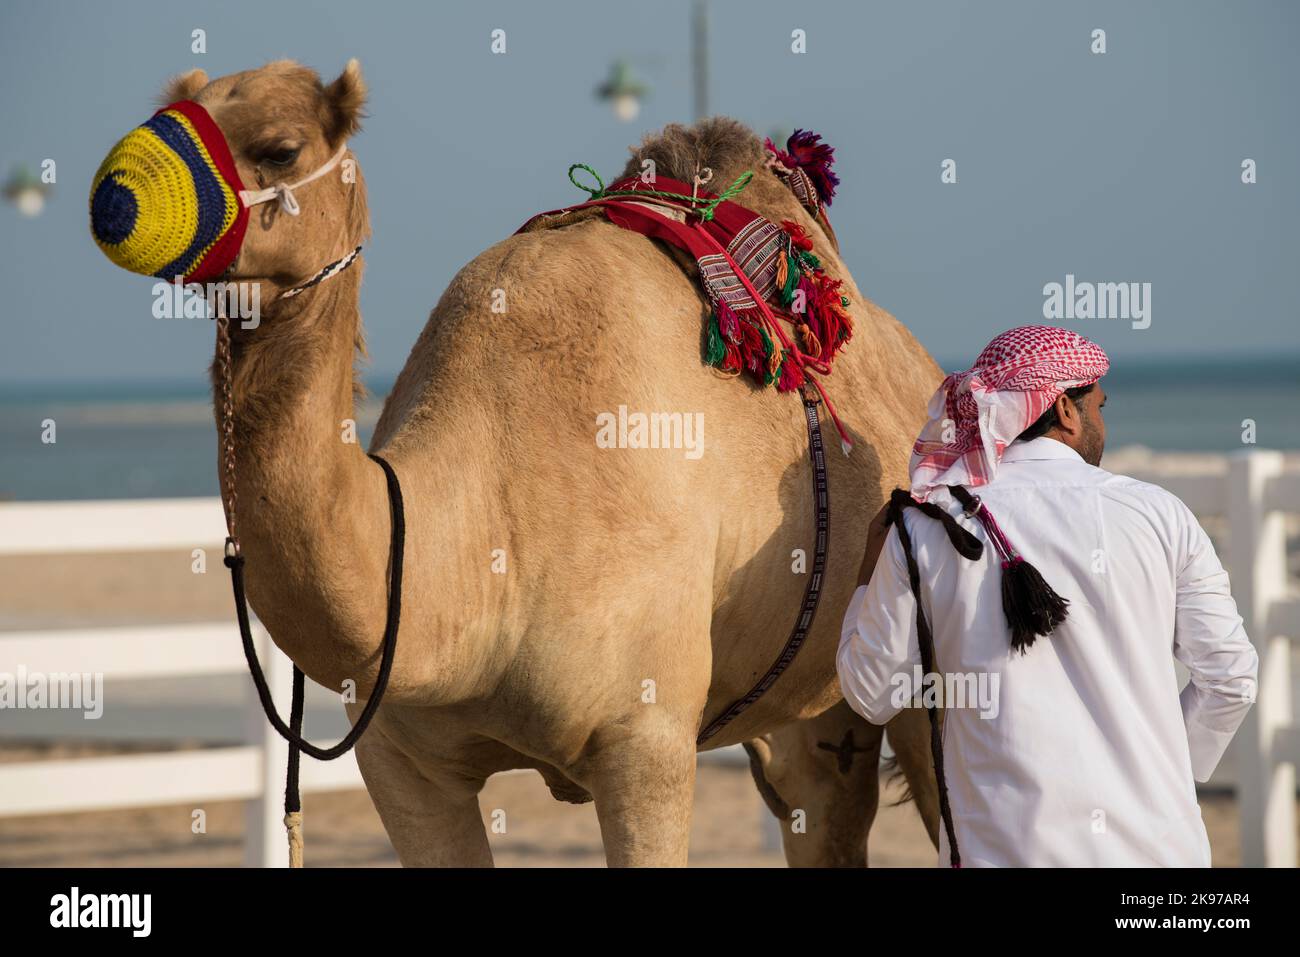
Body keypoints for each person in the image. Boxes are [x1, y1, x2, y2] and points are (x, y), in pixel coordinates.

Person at [837, 325, 1258, 867]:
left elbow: (872, 694)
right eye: (1100, 406)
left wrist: (867, 578)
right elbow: (1231, 677)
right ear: (1064, 409)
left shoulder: (925, 527)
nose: (1103, 423)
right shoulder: (1159, 514)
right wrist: (1159, 760)